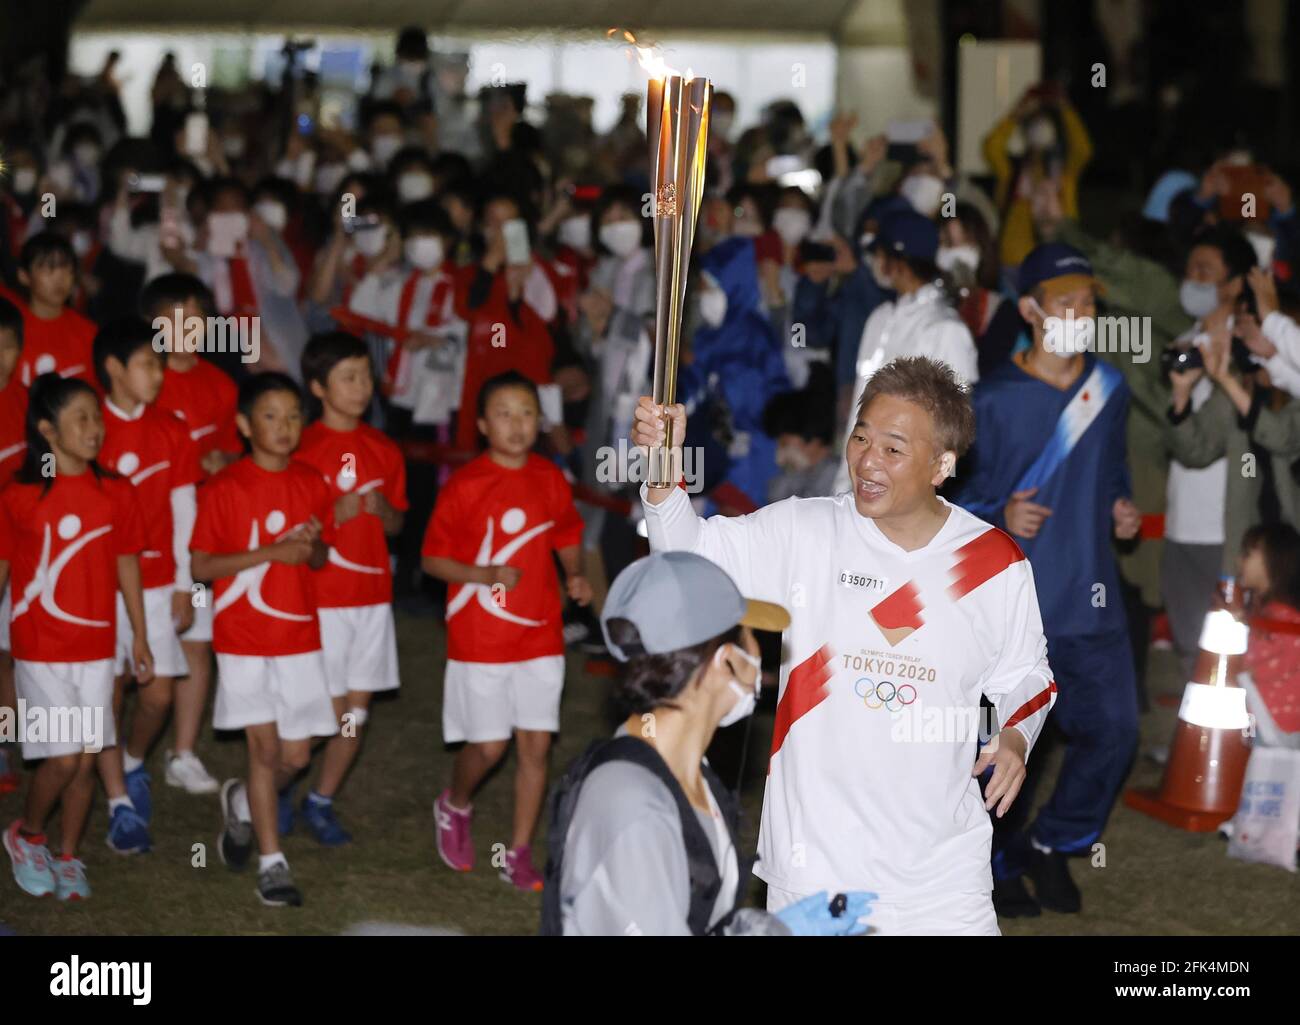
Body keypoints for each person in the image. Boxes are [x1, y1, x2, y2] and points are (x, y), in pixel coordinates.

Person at [631, 356, 1056, 935]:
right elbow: (686, 561)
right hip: (815, 868)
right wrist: (663, 474)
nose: (867, 461)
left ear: (942, 465)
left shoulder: (992, 563)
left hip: (942, 875)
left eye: (893, 449)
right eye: (861, 438)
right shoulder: (807, 531)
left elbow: (1026, 672)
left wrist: (1013, 736)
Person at [546, 550, 876, 936]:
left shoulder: (689, 776)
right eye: (751, 637)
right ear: (725, 660)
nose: (760, 655)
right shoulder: (632, 801)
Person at [956, 243, 1142, 917]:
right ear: (1030, 309)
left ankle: (1055, 842)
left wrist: (1121, 508)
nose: (1081, 314)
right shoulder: (994, 399)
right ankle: (998, 861)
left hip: (1092, 599)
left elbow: (1113, 472)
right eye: (1066, 302)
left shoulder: (1109, 389)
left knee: (1117, 731)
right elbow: (953, 508)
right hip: (1016, 610)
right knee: (1008, 749)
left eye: (1088, 302)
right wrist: (997, 512)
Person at [422, 371, 592, 891]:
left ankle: (518, 852)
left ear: (540, 421)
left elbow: (565, 531)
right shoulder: (467, 484)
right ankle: (455, 804)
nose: (517, 425)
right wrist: (484, 575)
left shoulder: (549, 477)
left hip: (541, 632)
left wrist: (575, 573)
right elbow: (432, 560)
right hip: (481, 634)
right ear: (480, 424)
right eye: (504, 414)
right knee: (490, 747)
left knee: (536, 746)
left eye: (526, 413)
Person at [0, 374, 153, 901]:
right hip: (41, 646)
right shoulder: (19, 496)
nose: (95, 428)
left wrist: (140, 635)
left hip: (97, 648)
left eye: (97, 416)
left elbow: (127, 561)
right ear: (47, 429)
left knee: (86, 757)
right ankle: (28, 834)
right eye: (81, 418)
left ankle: (67, 857)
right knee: (63, 759)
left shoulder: (115, 491)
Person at [191, 373, 339, 907]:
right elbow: (202, 565)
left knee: (297, 756)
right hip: (244, 635)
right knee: (266, 748)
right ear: (244, 425)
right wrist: (271, 553)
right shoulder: (225, 487)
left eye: (294, 415)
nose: (285, 426)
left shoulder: (313, 482)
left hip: (298, 633)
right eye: (271, 416)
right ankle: (272, 864)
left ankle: (244, 807)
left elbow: (320, 558)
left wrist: (311, 546)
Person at [92, 318, 203, 855]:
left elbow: (185, 506)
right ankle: (118, 803)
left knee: (156, 692)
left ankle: (133, 762)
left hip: (158, 584)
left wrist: (185, 583)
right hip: (97, 588)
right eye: (147, 364)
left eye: (160, 364)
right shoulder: (85, 427)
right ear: (114, 368)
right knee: (108, 693)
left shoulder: (172, 429)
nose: (158, 374)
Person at [292, 332, 408, 843]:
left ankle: (319, 801)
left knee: (353, 717)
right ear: (318, 387)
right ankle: (264, 787)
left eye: (365, 376)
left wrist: (384, 513)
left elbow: (398, 525)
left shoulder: (383, 448)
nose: (362, 388)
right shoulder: (301, 448)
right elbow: (286, 527)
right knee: (322, 717)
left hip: (372, 601)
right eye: (348, 378)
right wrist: (329, 514)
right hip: (322, 599)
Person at [144, 274, 241, 795]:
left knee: (197, 643)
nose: (190, 329)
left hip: (195, 537)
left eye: (197, 319)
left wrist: (221, 462)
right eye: (176, 319)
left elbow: (229, 454)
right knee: (126, 652)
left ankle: (182, 752)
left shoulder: (221, 386)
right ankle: (114, 752)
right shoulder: (143, 379)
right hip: (139, 538)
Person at [831, 210, 978, 494]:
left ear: (897, 261)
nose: (875, 263)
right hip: (857, 484)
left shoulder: (945, 329)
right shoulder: (880, 318)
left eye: (880, 255)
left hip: (907, 496)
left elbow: (955, 432)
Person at [1237, 523, 1300, 750]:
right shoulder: (1263, 610)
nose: (1239, 561)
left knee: (1267, 775)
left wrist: (1248, 671)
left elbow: (1292, 652)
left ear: (1274, 561)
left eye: (1247, 555)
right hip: (1259, 714)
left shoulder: (1284, 616)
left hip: (1276, 721)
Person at [12, 233, 98, 388]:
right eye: (48, 269)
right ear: (24, 276)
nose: (60, 278)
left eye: (67, 269)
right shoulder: (9, 330)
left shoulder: (88, 333)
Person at [0, 298, 26, 795]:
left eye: (8, 347)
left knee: (5, 653)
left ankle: (3, 745)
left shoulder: (30, 406)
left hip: (18, 548)